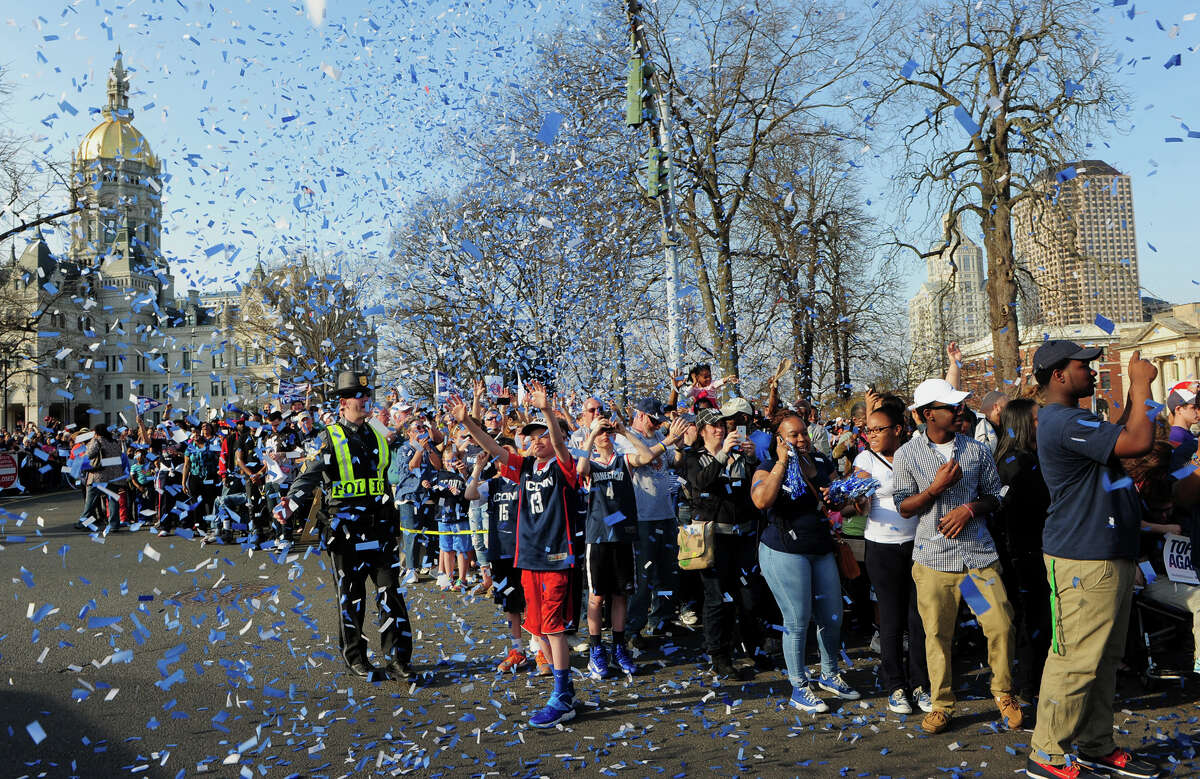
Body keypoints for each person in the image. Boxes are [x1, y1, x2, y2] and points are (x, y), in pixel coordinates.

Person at [1025, 344, 1161, 779]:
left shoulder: (1075, 420)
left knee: (1103, 659)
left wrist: (1136, 399)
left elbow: (1120, 440)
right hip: (1083, 556)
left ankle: (1096, 745)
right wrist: (1140, 386)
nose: (1092, 370)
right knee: (1075, 659)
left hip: (1105, 552)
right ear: (1058, 376)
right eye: (1083, 366)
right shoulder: (1063, 420)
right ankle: (1046, 754)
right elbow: (1139, 441)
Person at [448, 380, 581, 729]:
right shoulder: (523, 468)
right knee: (536, 626)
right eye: (531, 436)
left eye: (543, 436)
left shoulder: (562, 465)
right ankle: (561, 687)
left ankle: (563, 694)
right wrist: (467, 422)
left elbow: (560, 448)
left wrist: (548, 411)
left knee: (553, 628)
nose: (537, 440)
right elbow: (494, 448)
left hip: (555, 558)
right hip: (528, 559)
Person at [892, 378, 1021, 736]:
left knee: (999, 624)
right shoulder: (907, 455)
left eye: (959, 405)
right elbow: (903, 506)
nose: (959, 410)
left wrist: (970, 508)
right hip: (934, 562)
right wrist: (935, 489)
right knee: (937, 634)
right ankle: (942, 704)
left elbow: (998, 496)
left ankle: (1004, 692)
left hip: (976, 561)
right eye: (950, 406)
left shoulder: (975, 450)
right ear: (926, 415)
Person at [274, 371, 414, 683]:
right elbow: (308, 477)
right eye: (358, 396)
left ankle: (398, 660)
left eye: (367, 396)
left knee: (391, 594)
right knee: (352, 598)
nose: (365, 400)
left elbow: (384, 482)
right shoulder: (329, 437)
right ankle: (356, 658)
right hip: (344, 530)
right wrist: (288, 504)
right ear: (343, 403)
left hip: (380, 529)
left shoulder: (378, 434)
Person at [751, 410, 860, 712]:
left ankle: (829, 673)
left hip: (821, 547)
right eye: (793, 435)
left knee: (832, 616)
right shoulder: (768, 466)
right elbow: (761, 500)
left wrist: (843, 495)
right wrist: (783, 462)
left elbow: (842, 503)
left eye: (804, 433)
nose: (801, 440)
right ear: (779, 439)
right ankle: (799, 686)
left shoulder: (822, 462)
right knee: (797, 620)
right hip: (785, 550)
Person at [853, 404, 931, 715]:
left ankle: (921, 683)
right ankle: (895, 685)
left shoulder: (913, 452)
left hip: (918, 544)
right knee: (891, 619)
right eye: (868, 430)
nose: (871, 435)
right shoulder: (864, 459)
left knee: (918, 618)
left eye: (878, 429)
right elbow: (859, 503)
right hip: (882, 547)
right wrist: (858, 498)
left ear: (897, 429)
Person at [576, 413, 664, 678]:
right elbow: (579, 470)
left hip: (623, 537)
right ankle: (595, 650)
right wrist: (591, 434)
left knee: (620, 594)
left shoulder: (623, 460)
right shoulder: (590, 463)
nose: (606, 434)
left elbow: (647, 456)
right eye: (601, 431)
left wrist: (625, 432)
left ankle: (618, 646)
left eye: (607, 431)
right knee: (596, 596)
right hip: (598, 537)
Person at [683, 407, 764, 679]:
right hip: (712, 537)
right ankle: (718, 656)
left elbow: (754, 487)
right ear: (703, 430)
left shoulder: (739, 453)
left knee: (747, 596)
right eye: (713, 426)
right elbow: (702, 482)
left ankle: (753, 648)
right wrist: (721, 456)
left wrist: (752, 460)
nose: (720, 429)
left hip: (742, 535)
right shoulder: (693, 457)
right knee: (717, 598)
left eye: (722, 424)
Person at [991, 398, 1051, 700]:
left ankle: (1034, 681)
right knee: (1033, 620)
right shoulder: (1017, 463)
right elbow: (1007, 512)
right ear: (1025, 424)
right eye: (1037, 419)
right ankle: (1031, 684)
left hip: (1030, 550)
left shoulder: (1028, 457)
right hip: (1023, 553)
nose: (1043, 424)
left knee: (1037, 618)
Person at [623, 398, 688, 642]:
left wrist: (679, 446)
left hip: (666, 514)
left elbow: (676, 463)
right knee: (644, 576)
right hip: (642, 517)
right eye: (653, 420)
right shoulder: (626, 437)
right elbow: (644, 458)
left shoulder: (658, 438)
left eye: (659, 421)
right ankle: (632, 628)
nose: (656, 424)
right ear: (640, 416)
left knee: (668, 572)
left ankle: (661, 620)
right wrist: (668, 441)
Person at [1167, 382, 1199, 468]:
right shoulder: (1176, 435)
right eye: (1193, 407)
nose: (1198, 410)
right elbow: (1179, 468)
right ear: (1178, 409)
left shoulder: (1185, 433)